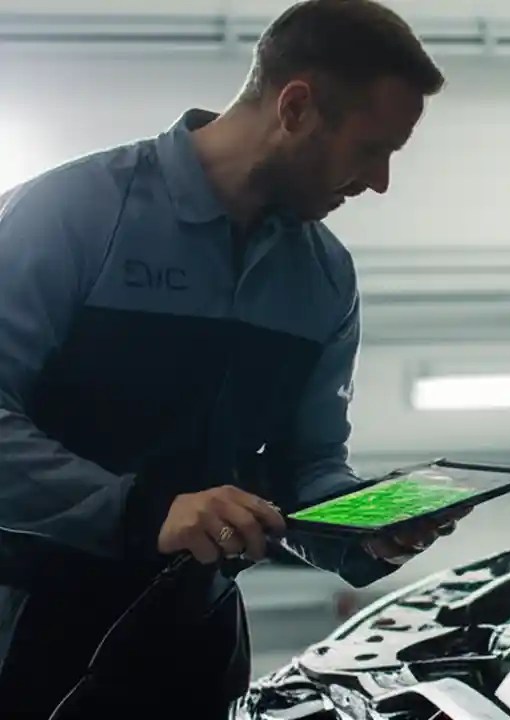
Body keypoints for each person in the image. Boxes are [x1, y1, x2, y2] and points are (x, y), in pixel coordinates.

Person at [0, 1, 459, 716]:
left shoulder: (325, 278)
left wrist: (363, 530)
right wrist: (143, 512)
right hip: (28, 631)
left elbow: (308, 465)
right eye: (372, 149)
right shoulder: (71, 214)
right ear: (297, 107)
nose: (379, 184)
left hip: (197, 645)